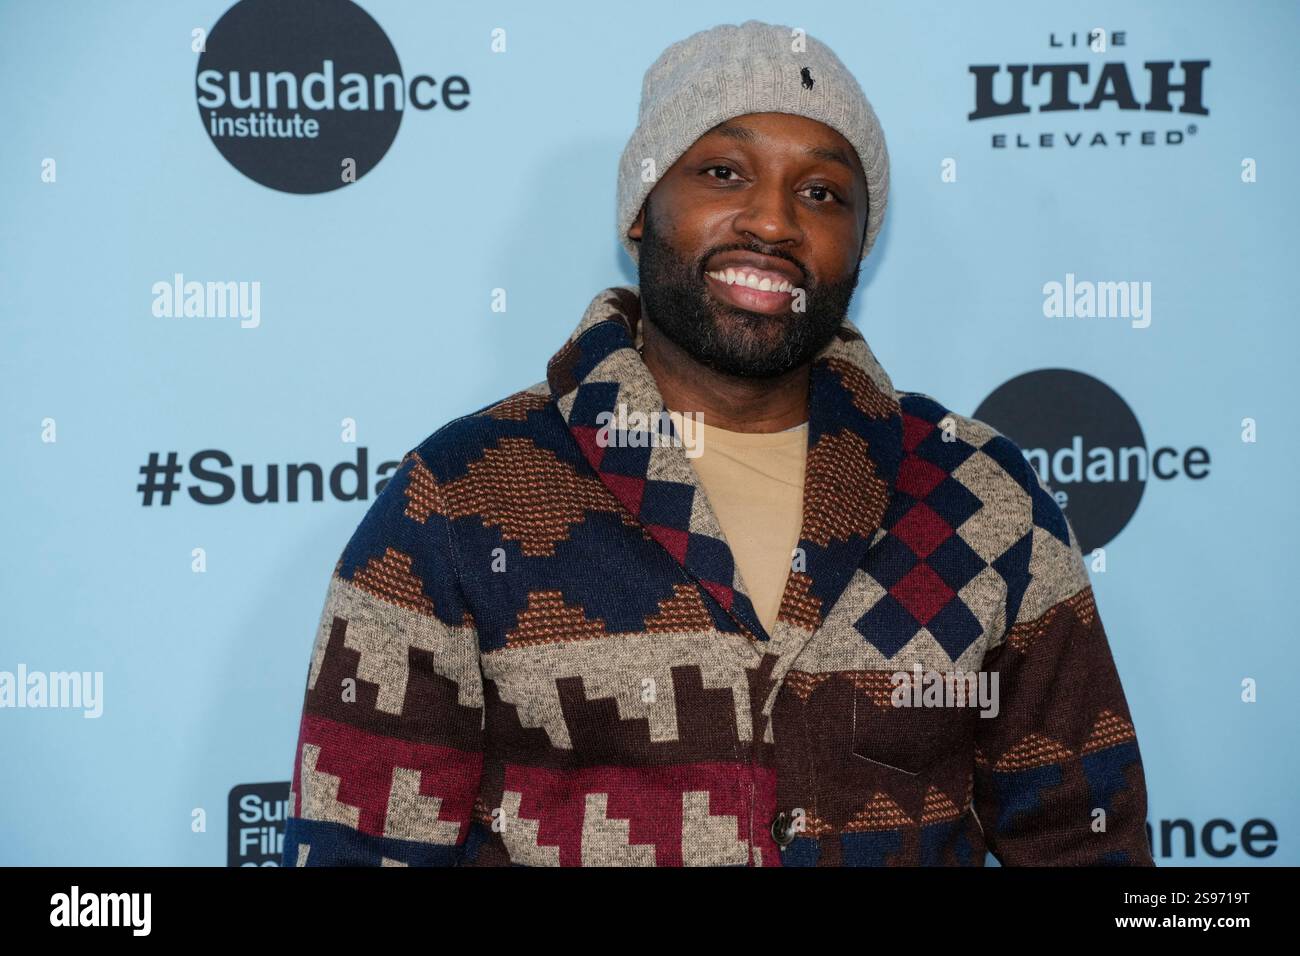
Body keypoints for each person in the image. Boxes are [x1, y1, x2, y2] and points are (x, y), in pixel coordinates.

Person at [282, 19, 1153, 867]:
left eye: (821, 192)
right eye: (724, 171)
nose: (772, 223)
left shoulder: (976, 492)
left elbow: (1085, 837)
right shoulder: (464, 493)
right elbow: (360, 846)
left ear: (859, 246)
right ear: (640, 212)